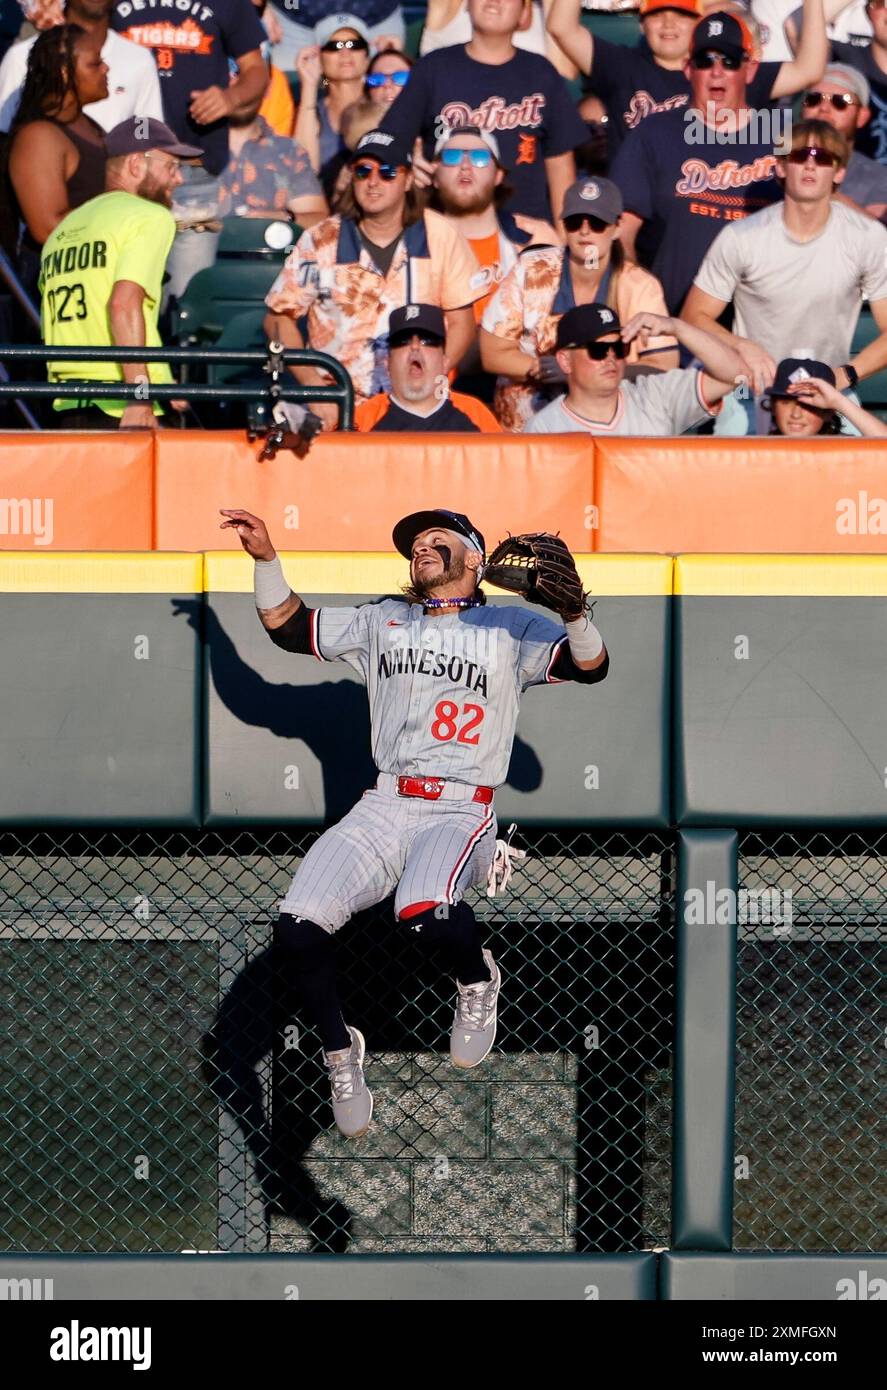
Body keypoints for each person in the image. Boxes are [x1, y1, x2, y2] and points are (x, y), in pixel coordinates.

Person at [219, 502, 609, 1137]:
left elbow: (591, 667)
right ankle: (340, 1051)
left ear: (474, 557)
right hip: (386, 801)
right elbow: (289, 628)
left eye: (436, 538)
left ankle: (477, 979)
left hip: (459, 805)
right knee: (297, 929)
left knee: (422, 912)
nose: (421, 547)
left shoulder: (510, 624)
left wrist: (574, 614)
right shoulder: (384, 619)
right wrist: (265, 559)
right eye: (414, 543)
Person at [264, 130, 483, 428]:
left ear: (408, 180)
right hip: (338, 404)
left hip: (418, 405)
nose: (373, 181)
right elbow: (277, 318)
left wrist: (435, 374)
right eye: (363, 171)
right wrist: (313, 386)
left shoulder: (441, 235)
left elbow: (462, 323)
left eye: (388, 172)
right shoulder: (320, 239)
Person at [683, 119, 887, 407]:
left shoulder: (867, 237)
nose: (810, 165)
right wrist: (742, 347)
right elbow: (693, 316)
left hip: (830, 393)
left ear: (839, 172)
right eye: (800, 155)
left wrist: (845, 375)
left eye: (822, 158)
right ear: (780, 166)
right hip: (753, 392)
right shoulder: (741, 237)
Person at [610, 11, 788, 316]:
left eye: (730, 61)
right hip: (672, 322)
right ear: (688, 69)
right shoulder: (654, 133)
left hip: (759, 323)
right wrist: (641, 301)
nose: (716, 72)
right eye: (705, 61)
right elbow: (620, 233)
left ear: (750, 69)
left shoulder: (781, 136)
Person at [39, 115, 200, 428]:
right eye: (171, 166)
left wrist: (162, 380)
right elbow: (123, 304)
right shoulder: (149, 217)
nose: (179, 179)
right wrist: (140, 395)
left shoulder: (62, 231)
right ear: (136, 164)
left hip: (68, 405)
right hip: (125, 402)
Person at [482, 177, 678, 431]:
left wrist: (578, 373)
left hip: (611, 429)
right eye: (575, 222)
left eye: (597, 223)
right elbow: (492, 353)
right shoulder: (531, 269)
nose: (585, 231)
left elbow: (664, 366)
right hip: (526, 428)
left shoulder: (640, 286)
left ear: (617, 228)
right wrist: (541, 369)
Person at [110, 0, 268, 298]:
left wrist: (231, 98)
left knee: (187, 301)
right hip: (123, 168)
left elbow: (256, 69)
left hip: (194, 171)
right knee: (121, 294)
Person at [379, 0, 588, 224]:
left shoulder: (541, 72)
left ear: (524, 14)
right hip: (444, 227)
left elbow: (560, 164)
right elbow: (386, 141)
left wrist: (562, 235)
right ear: (467, 5)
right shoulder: (433, 67)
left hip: (525, 229)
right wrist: (408, 161)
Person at [547, 0, 828, 156]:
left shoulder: (723, 73)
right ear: (642, 24)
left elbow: (809, 70)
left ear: (698, 22)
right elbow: (561, 27)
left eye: (680, 15)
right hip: (634, 208)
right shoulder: (621, 65)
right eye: (658, 14)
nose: (668, 24)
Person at [524, 302, 748, 433]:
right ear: (565, 361)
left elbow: (735, 375)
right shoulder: (544, 429)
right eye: (598, 350)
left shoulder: (654, 396)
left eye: (619, 348)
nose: (611, 357)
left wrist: (676, 327)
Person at [3, 23, 108, 288]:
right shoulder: (38, 137)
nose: (106, 69)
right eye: (95, 64)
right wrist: (126, 216)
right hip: (58, 285)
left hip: (94, 274)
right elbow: (47, 228)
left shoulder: (88, 126)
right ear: (64, 72)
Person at [0, 0, 161, 132]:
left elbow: (147, 133)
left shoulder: (139, 59)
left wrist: (140, 155)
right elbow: (3, 130)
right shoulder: (21, 58)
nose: (105, 68)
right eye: (95, 64)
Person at [355, 302, 502, 431]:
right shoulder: (364, 418)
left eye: (427, 341)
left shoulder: (475, 414)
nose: (415, 346)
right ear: (387, 364)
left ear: (445, 362)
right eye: (403, 341)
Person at [293, 14, 371, 194]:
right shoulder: (309, 110)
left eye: (354, 45)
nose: (345, 53)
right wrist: (309, 86)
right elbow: (303, 172)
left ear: (367, 57)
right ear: (319, 58)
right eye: (334, 46)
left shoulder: (380, 104)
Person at [802, 61, 887, 214]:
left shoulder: (878, 178)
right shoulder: (772, 162)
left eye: (840, 102)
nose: (824, 108)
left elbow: (875, 226)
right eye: (814, 99)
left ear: (862, 116)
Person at [221, 106, 328, 226]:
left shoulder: (288, 151)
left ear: (266, 94)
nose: (239, 97)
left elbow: (320, 222)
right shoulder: (202, 148)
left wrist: (283, 218)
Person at [420, 0, 576, 77]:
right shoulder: (451, 6)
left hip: (523, 120)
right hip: (450, 118)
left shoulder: (550, 17)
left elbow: (564, 77)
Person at [267, 0, 405, 76]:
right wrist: (259, 7)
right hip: (294, 23)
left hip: (376, 21)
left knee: (384, 87)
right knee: (286, 91)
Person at [764, 356, 887, 432]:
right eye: (786, 402)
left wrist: (838, 402)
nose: (796, 414)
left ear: (828, 412)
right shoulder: (758, 450)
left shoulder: (845, 450)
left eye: (808, 405)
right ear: (773, 406)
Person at [832, 0, 887, 165]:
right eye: (882, 3)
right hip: (848, 176)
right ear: (869, 11)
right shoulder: (843, 58)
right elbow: (796, 26)